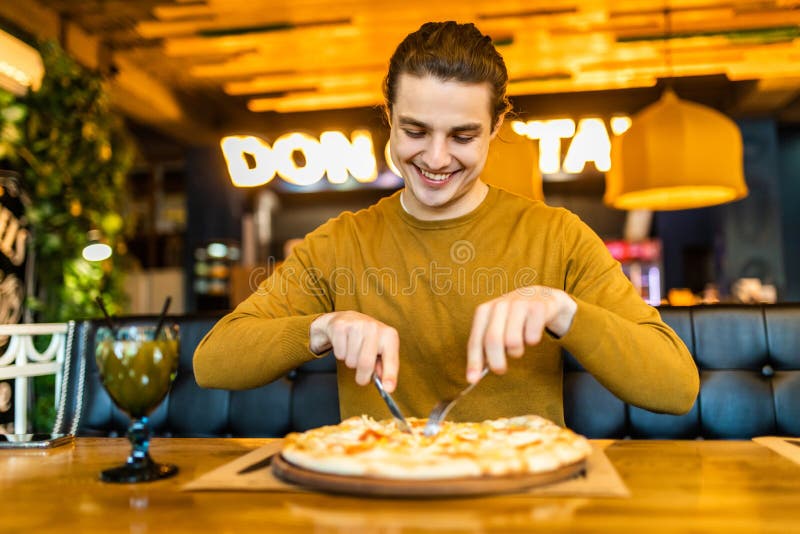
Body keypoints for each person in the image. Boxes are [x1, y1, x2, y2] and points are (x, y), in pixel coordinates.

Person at [194, 21, 699, 426]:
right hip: (382, 503)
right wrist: (323, 326)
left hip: (524, 503)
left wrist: (560, 309)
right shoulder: (338, 243)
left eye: (462, 135)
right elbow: (214, 361)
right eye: (415, 130)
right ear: (388, 115)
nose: (436, 158)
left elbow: (675, 387)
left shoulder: (557, 236)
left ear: (496, 126)